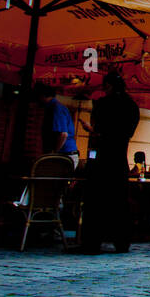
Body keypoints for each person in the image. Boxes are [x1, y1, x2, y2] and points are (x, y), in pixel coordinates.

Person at [80, 70, 139, 255]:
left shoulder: (104, 104)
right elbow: (127, 132)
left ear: (109, 86)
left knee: (96, 202)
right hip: (120, 158)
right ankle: (121, 242)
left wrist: (92, 130)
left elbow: (101, 131)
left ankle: (92, 243)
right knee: (119, 202)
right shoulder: (131, 106)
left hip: (104, 158)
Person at [39, 87, 78, 159]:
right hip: (64, 154)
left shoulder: (56, 108)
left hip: (63, 154)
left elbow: (63, 134)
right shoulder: (55, 107)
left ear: (43, 95)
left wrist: (54, 153)